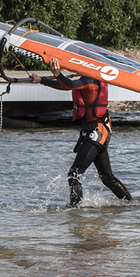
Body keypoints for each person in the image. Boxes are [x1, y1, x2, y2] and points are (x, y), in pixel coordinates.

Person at [32, 68, 133, 208]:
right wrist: (42, 80)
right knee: (107, 177)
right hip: (97, 132)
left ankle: (75, 210)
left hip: (96, 133)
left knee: (74, 174)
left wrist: (56, 74)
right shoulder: (88, 79)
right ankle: (131, 204)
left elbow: (70, 85)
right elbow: (65, 85)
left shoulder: (90, 79)